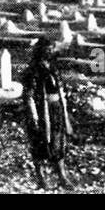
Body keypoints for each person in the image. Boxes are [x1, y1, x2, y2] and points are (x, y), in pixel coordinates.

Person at [21, 38, 75, 190]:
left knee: (58, 143)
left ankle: (62, 176)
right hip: (41, 111)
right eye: (47, 49)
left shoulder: (53, 68)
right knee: (40, 143)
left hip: (56, 110)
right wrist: (33, 117)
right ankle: (41, 178)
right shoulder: (33, 71)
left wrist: (65, 116)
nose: (50, 52)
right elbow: (29, 96)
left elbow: (61, 92)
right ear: (40, 51)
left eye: (51, 49)